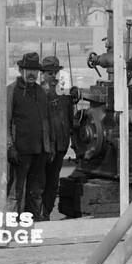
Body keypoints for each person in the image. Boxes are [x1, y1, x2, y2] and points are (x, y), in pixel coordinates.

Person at [6, 52, 53, 221]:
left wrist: (49, 147)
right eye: (28, 69)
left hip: (39, 151)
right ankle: (11, 225)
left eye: (35, 70)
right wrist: (9, 146)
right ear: (20, 69)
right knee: (15, 191)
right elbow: (5, 121)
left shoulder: (41, 92)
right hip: (20, 151)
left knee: (36, 190)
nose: (32, 73)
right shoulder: (11, 91)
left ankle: (34, 224)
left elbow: (46, 121)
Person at [39, 55, 79, 220]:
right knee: (40, 181)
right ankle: (37, 213)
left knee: (53, 182)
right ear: (43, 74)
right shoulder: (39, 94)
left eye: (55, 72)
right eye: (49, 72)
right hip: (44, 147)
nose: (53, 75)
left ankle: (46, 212)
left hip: (60, 146)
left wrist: (74, 95)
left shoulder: (63, 96)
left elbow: (71, 120)